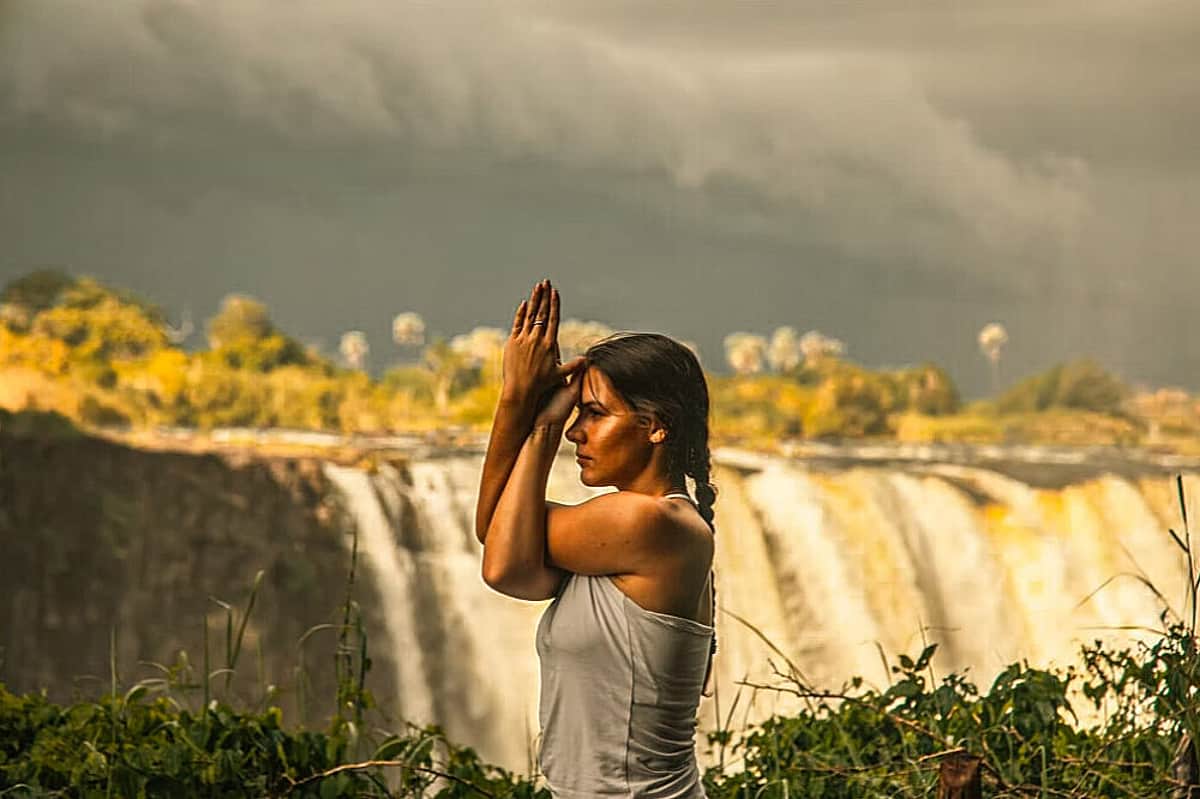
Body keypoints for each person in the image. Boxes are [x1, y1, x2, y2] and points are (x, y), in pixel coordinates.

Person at [475, 278, 717, 799]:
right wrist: (518, 403)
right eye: (575, 411)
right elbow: (502, 543)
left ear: (655, 426)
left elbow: (498, 558)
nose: (574, 430)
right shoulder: (626, 537)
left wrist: (528, 410)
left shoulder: (646, 524)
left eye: (594, 413)